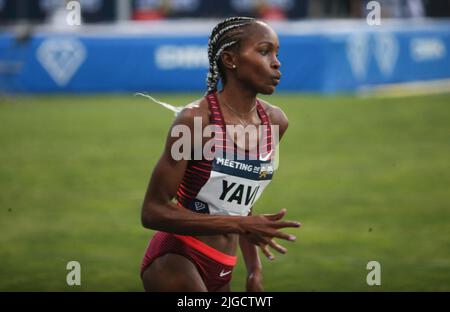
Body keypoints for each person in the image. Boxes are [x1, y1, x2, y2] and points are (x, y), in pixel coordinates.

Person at [140, 16, 301, 292]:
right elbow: (152, 211)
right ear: (230, 60)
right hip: (177, 259)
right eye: (264, 51)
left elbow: (240, 206)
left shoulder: (275, 122)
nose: (276, 62)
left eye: (277, 53)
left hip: (224, 265)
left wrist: (254, 270)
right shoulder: (194, 122)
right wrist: (241, 224)